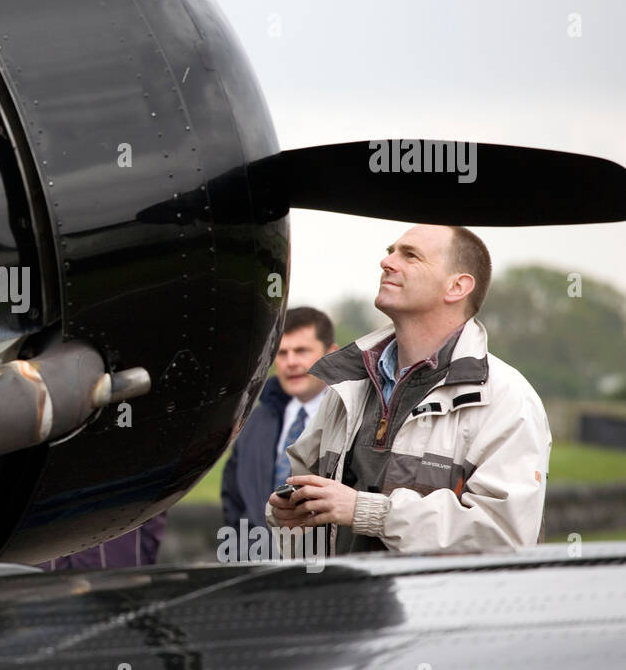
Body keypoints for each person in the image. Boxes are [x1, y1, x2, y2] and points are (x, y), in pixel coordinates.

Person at [268, 224, 550, 554]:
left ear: (457, 287)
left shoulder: (507, 398)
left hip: (441, 608)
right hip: (339, 604)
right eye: (390, 252)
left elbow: (504, 535)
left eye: (410, 255)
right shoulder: (348, 386)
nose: (386, 262)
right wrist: (286, 517)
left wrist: (368, 512)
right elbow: (300, 504)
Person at [221, 307, 339, 538]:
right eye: (282, 353)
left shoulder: (353, 417)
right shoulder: (254, 420)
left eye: (301, 351)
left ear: (331, 354)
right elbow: (233, 497)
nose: (291, 362)